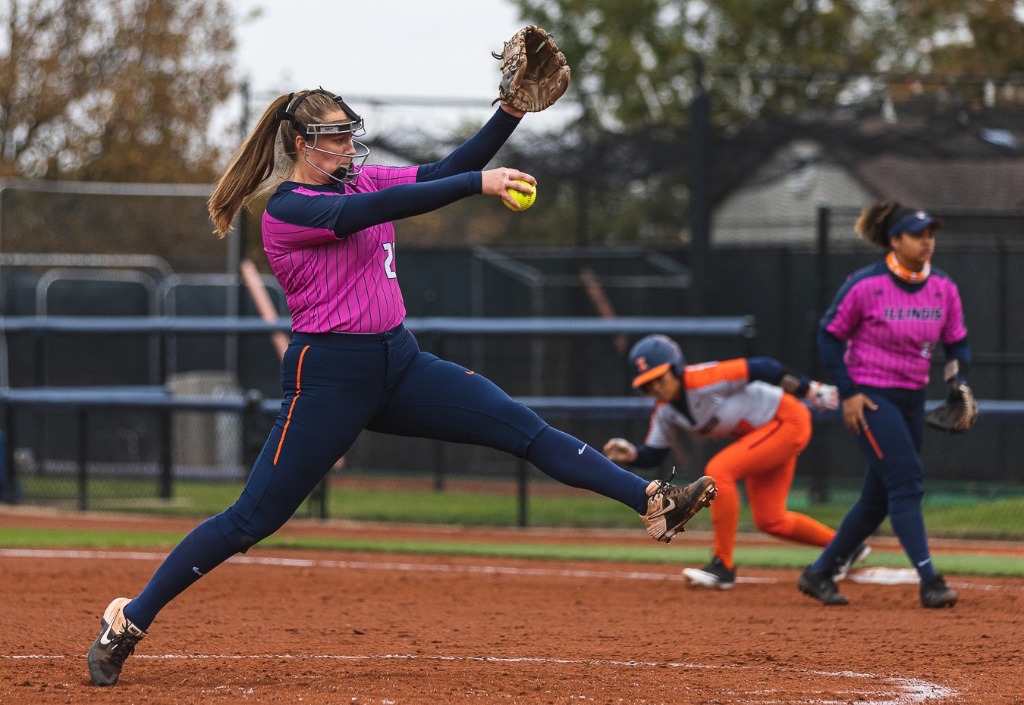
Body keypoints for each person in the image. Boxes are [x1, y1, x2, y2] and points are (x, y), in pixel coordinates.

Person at [85, 87, 716, 686]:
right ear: (304, 145)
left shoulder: (358, 177)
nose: (348, 147)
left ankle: (652, 501)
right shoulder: (288, 208)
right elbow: (375, 210)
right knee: (251, 520)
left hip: (400, 362)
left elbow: (446, 166)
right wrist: (479, 185)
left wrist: (510, 112)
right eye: (334, 137)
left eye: (348, 134)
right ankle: (130, 618)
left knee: (525, 428)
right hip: (328, 376)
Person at [797, 201, 969, 609]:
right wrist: (849, 391)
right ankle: (930, 580)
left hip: (912, 397)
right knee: (907, 480)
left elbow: (956, 340)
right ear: (895, 240)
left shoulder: (943, 286)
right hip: (871, 398)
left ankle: (820, 572)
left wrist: (956, 381)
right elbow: (829, 335)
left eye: (931, 235)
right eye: (918, 234)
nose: (927, 242)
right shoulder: (866, 284)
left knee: (877, 500)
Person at [602, 334, 869, 590]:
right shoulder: (665, 411)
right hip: (764, 435)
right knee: (770, 520)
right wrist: (634, 454)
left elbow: (765, 367)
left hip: (787, 420)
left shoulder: (703, 379)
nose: (656, 387)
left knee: (719, 470)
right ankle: (846, 546)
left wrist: (809, 388)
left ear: (676, 368)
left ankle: (723, 566)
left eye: (660, 377)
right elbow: (655, 454)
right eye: (648, 384)